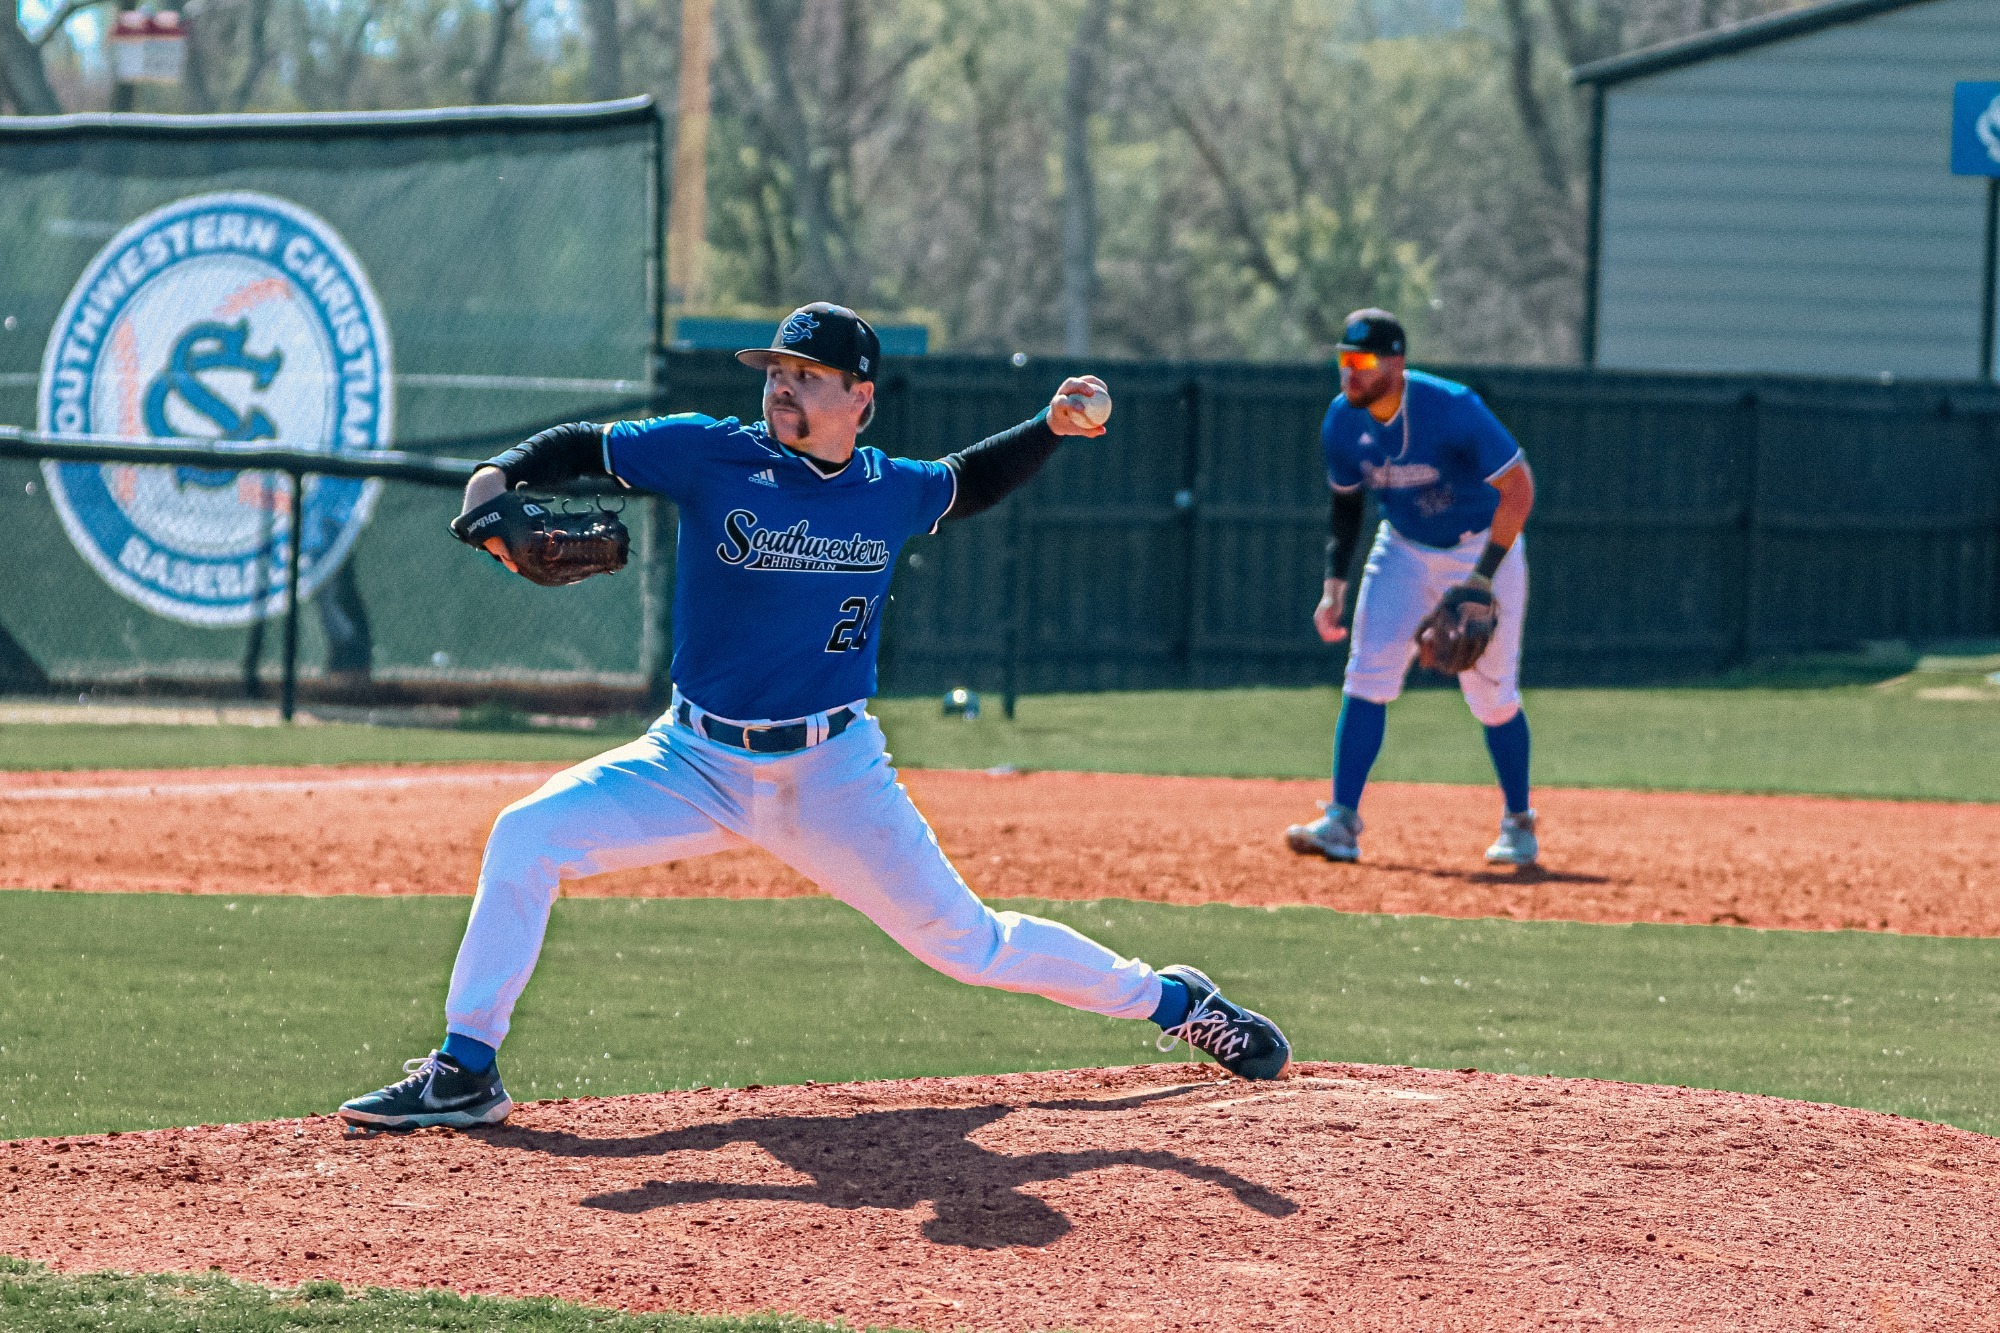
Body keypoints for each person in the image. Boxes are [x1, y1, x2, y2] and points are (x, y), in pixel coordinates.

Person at [340, 303, 1291, 1129]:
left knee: (971, 945)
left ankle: (1172, 999)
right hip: (692, 759)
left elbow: (970, 481)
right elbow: (581, 448)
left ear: (860, 399)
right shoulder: (714, 452)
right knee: (527, 834)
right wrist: (498, 477)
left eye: (807, 377)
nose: (782, 390)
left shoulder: (890, 489)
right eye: (777, 374)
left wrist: (1049, 426)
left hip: (832, 774)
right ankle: (467, 1070)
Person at [1284, 308, 1539, 867]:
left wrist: (1481, 579)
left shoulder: (1453, 410)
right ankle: (1341, 821)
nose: (1349, 372)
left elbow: (1519, 491)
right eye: (1343, 359)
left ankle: (1519, 821)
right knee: (1366, 673)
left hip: (1482, 546)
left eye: (1363, 361)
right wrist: (1334, 587)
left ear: (1396, 364)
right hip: (1402, 546)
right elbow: (1346, 504)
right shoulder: (1342, 421)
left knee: (1492, 694)